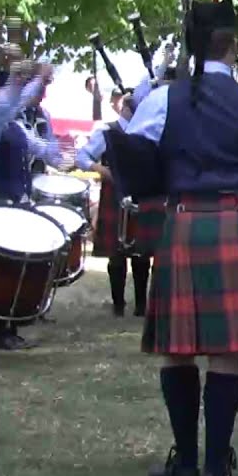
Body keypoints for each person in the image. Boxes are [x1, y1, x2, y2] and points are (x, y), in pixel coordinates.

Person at [124, 0, 238, 476]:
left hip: (180, 224)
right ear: (232, 46)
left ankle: (186, 465)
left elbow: (134, 154)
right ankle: (217, 468)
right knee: (226, 352)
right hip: (233, 224)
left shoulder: (162, 100)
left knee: (178, 349)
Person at [0, 60, 58, 351]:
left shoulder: (15, 126)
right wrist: (31, 80)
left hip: (18, 201)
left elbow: (44, 149)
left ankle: (11, 326)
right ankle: (0, 330)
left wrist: (58, 153)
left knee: (16, 265)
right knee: (1, 269)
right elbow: (10, 101)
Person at [77, 91, 153, 317]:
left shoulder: (147, 131)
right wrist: (101, 170)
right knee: (116, 254)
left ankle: (141, 306)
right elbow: (82, 156)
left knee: (141, 253)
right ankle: (118, 306)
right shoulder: (107, 131)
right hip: (115, 193)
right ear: (128, 109)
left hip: (141, 193)